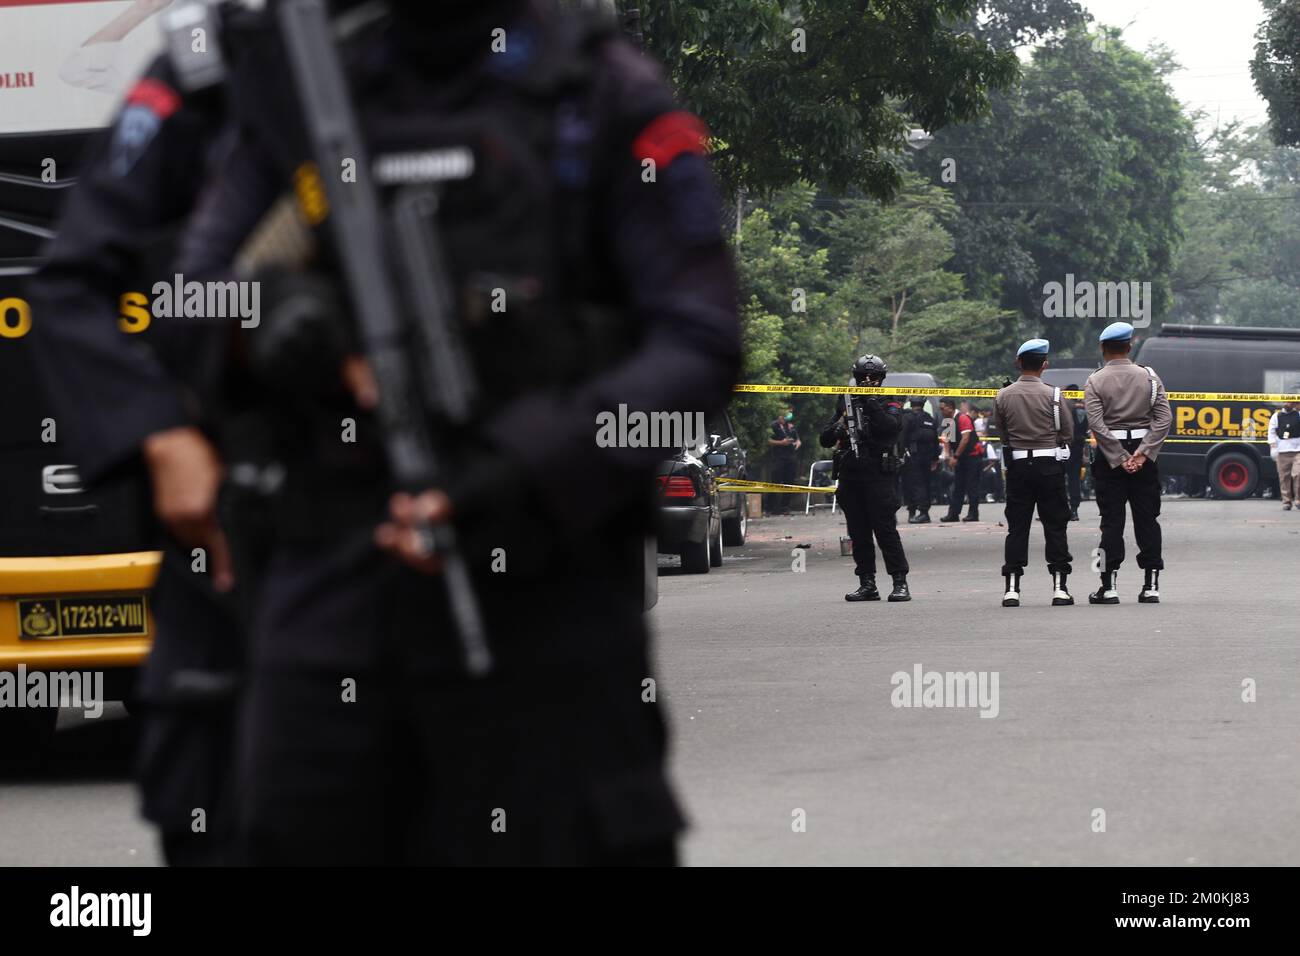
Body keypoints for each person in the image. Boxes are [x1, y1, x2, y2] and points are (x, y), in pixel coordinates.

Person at [163, 0, 740, 865]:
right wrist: (277, 313)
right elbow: (187, 299)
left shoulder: (597, 91)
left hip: (548, 613)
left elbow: (698, 342)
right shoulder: (308, 91)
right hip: (333, 606)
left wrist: (525, 467)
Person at [24, 25, 275, 864]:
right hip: (248, 553)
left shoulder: (540, 69)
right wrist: (161, 436)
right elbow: (69, 283)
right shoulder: (215, 72)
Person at [1084, 322, 1172, 604]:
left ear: (1102, 348)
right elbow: (1164, 419)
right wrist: (1143, 453)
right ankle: (1152, 585)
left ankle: (1107, 586)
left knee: (1109, 523)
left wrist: (1120, 457)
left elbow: (1096, 424)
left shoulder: (1095, 380)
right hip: (1143, 457)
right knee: (1148, 520)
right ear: (1129, 346)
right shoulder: (1149, 377)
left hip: (1110, 458)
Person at [820, 355, 911, 602]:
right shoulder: (846, 399)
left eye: (873, 377)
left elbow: (890, 427)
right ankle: (867, 582)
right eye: (863, 377)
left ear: (882, 378)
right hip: (851, 473)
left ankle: (900, 582)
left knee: (885, 530)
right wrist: (838, 427)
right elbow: (825, 438)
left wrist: (870, 402)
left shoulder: (891, 397)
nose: (868, 380)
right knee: (858, 532)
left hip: (879, 473)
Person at [992, 339, 1074, 606]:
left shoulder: (1003, 395)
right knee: (1055, 525)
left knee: (1017, 527)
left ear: (1019, 363)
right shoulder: (1054, 395)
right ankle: (1060, 588)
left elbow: (1002, 432)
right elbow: (1068, 433)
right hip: (1049, 465)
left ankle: (1012, 588)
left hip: (1017, 467)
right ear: (1044, 365)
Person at [939, 398, 982, 522]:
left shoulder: (962, 418)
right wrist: (948, 456)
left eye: (943, 408)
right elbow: (946, 440)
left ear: (950, 408)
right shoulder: (948, 421)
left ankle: (973, 514)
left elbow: (965, 439)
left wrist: (955, 456)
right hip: (961, 458)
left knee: (971, 486)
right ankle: (953, 514)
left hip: (972, 456)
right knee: (958, 486)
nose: (941, 411)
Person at [901, 397, 939, 523]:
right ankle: (924, 511)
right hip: (928, 457)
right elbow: (935, 441)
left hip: (913, 456)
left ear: (911, 404)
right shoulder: (930, 419)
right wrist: (935, 458)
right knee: (926, 483)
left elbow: (903, 437)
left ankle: (916, 512)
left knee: (914, 484)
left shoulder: (909, 417)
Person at [767, 406, 801, 515]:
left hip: (790, 457)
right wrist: (781, 442)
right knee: (775, 481)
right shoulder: (773, 426)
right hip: (778, 457)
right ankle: (771, 507)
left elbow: (798, 439)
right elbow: (768, 440)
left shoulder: (790, 426)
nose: (787, 416)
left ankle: (785, 507)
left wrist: (797, 443)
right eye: (786, 414)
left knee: (789, 481)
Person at [1267, 400, 1300, 510]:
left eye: (1291, 402)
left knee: (1298, 475)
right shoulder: (1276, 416)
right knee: (1284, 478)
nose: (1289, 404)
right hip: (1282, 451)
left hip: (1297, 451)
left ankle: (1298, 499)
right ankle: (1287, 501)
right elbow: (1271, 432)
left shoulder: (1298, 415)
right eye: (1287, 401)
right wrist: (1273, 446)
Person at [1064, 384, 1089, 520]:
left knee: (1059, 477)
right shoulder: (1084, 406)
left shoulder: (1064, 405)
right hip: (1079, 446)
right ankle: (1074, 510)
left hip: (1064, 445)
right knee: (1074, 478)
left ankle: (1060, 508)